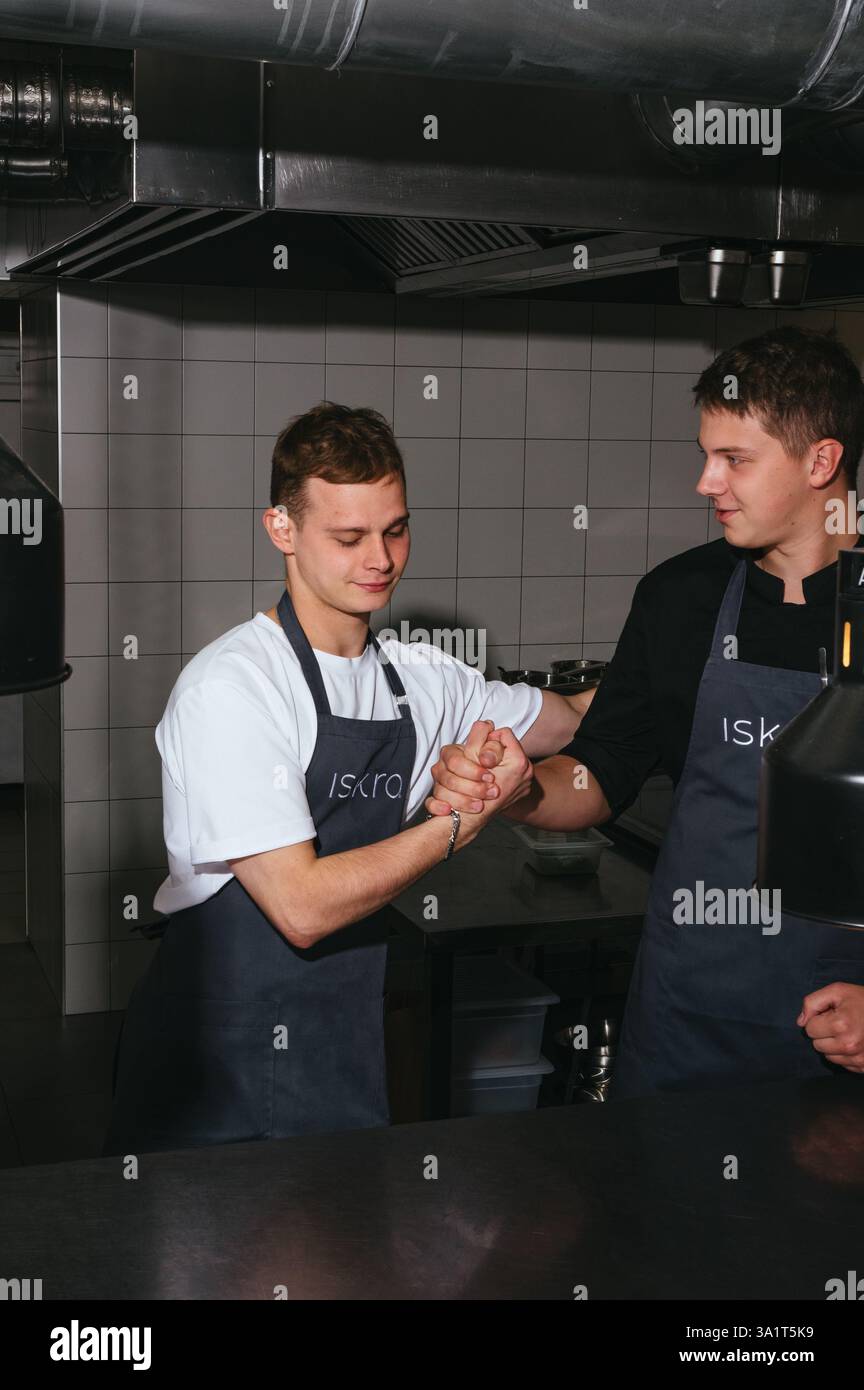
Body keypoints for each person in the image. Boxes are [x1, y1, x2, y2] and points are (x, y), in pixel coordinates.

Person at [103, 401, 589, 1155]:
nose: (381, 560)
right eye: (349, 537)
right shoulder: (233, 688)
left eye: (395, 530)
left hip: (341, 1049)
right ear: (283, 530)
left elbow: (562, 721)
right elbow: (300, 907)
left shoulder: (420, 678)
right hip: (218, 1073)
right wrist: (457, 821)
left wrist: (656, 679)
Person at [428, 326, 864, 1098]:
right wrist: (521, 790)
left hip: (840, 1023)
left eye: (734, 460)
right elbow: (600, 776)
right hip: (687, 1006)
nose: (706, 483)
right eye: (706, 455)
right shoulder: (681, 598)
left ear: (821, 462)